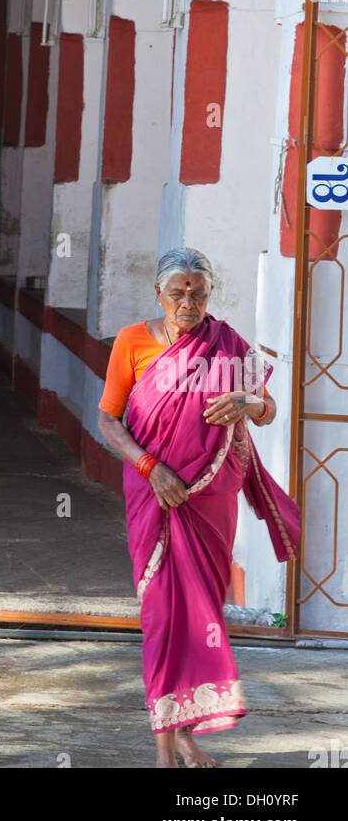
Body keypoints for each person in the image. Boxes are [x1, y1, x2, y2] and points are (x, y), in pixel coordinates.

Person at [97, 246, 300, 769]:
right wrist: (150, 468)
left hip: (211, 497)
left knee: (203, 613)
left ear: (210, 294)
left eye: (198, 291)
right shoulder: (133, 342)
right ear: (158, 294)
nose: (188, 301)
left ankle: (184, 731)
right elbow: (109, 421)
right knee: (163, 618)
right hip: (156, 494)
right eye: (177, 292)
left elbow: (268, 409)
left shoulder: (228, 344)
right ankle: (165, 746)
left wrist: (248, 403)